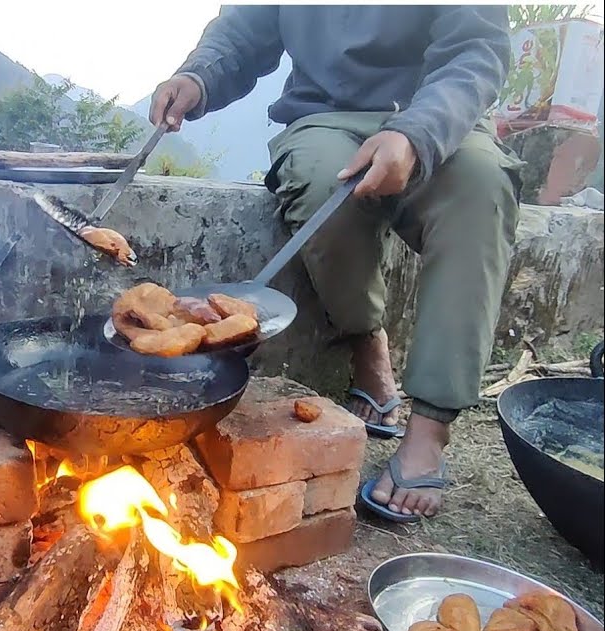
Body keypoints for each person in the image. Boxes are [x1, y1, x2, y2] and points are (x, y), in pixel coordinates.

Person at [149, 6, 523, 522]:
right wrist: (198, 76)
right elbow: (243, 31)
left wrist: (416, 133)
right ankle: (368, 345)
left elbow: (475, 50)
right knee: (325, 186)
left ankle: (429, 431)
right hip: (326, 116)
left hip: (440, 115)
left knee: (482, 190)